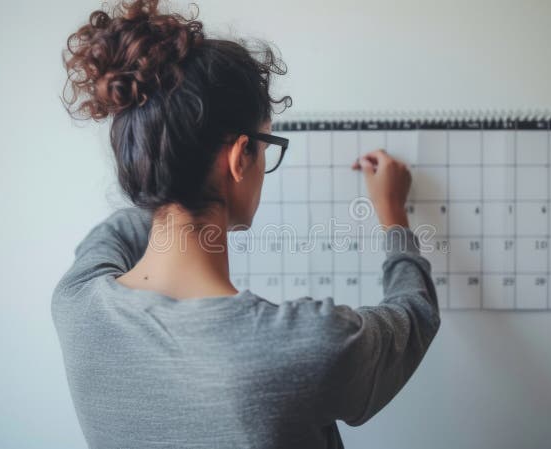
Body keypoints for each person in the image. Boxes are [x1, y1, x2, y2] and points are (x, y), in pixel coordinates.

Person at [51, 1, 441, 448]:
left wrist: (174, 167)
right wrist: (393, 214)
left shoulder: (77, 302)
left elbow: (117, 230)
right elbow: (415, 315)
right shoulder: (300, 346)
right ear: (240, 158)